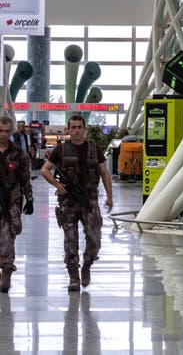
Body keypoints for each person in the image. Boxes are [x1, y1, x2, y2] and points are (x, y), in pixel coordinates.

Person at [40, 113, 113, 292]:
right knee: (70, 240)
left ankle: (87, 264)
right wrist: (57, 184)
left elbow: (104, 173)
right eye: (73, 127)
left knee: (95, 239)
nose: (76, 131)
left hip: (90, 199)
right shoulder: (61, 149)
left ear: (85, 129)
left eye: (79, 127)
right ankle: (73, 276)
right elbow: (44, 170)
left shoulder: (94, 148)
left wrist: (110, 197)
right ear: (68, 130)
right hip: (69, 202)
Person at [0, 114, 34, 293]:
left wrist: (30, 199)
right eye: (0, 131)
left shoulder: (19, 154)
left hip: (12, 199)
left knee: (9, 232)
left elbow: (25, 179)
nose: (3, 134)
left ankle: (6, 268)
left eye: (7, 131)